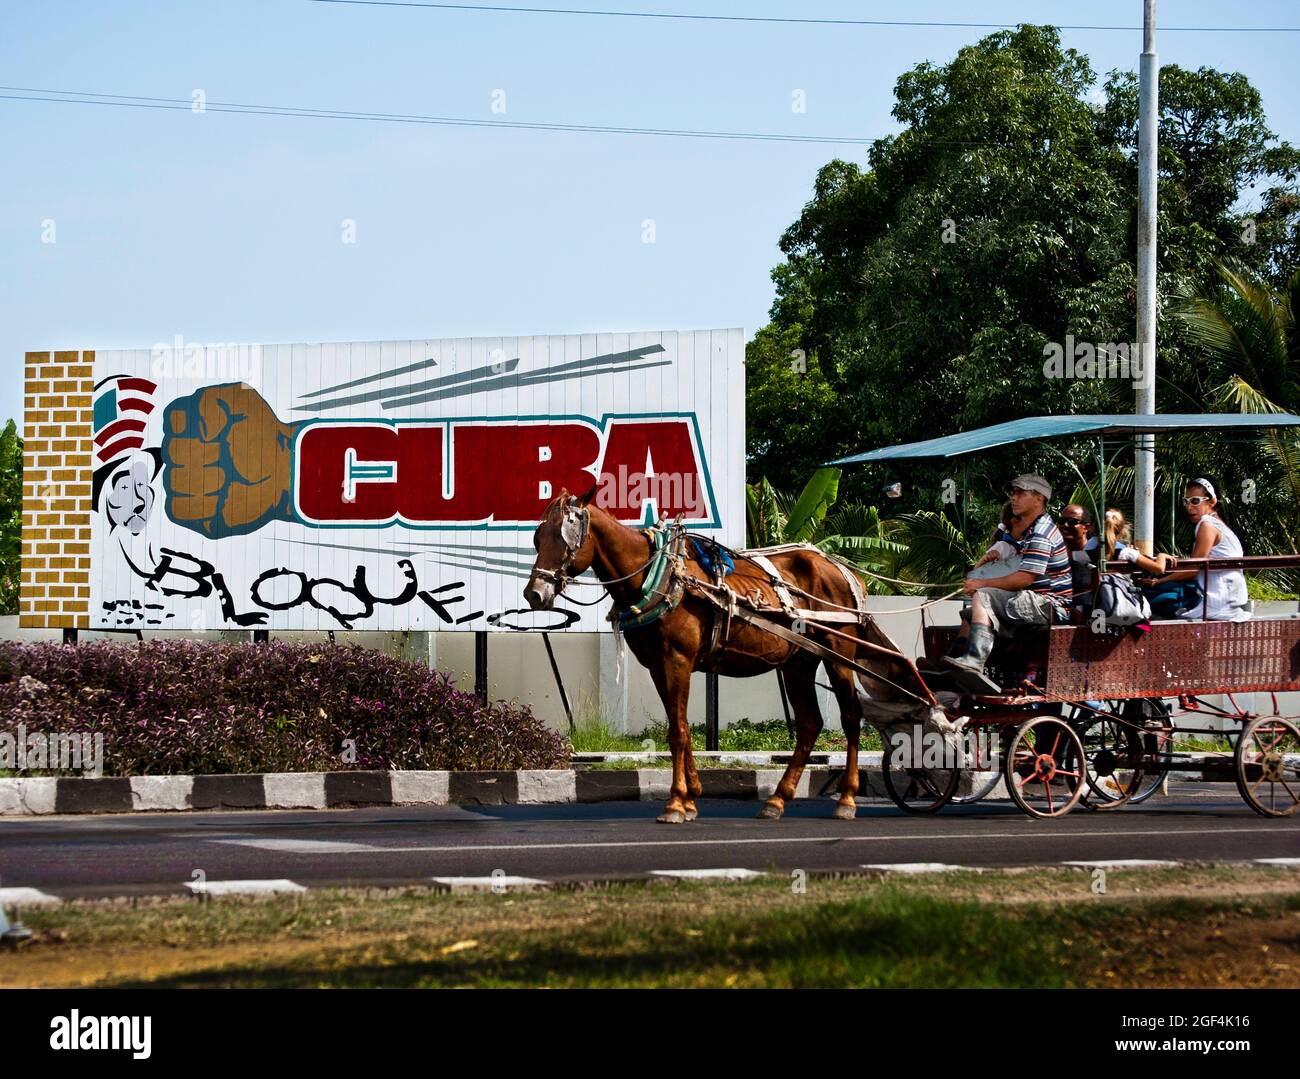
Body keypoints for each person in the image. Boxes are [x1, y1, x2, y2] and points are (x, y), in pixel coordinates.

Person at [944, 474, 1072, 676]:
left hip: (1051, 606)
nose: (1013, 498)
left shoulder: (1041, 534)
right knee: (971, 615)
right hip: (1035, 601)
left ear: (1038, 499)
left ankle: (975, 660)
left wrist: (981, 583)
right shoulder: (1030, 531)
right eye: (1013, 493)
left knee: (983, 595)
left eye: (1020, 493)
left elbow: (1023, 579)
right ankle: (951, 667)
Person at [1145, 479, 1252, 622]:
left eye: (1195, 501)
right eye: (1186, 501)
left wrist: (1158, 582)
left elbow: (1192, 570)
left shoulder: (1206, 525)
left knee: (1144, 598)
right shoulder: (1223, 528)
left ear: (1212, 502)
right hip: (1230, 602)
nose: (1189, 507)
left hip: (1214, 605)